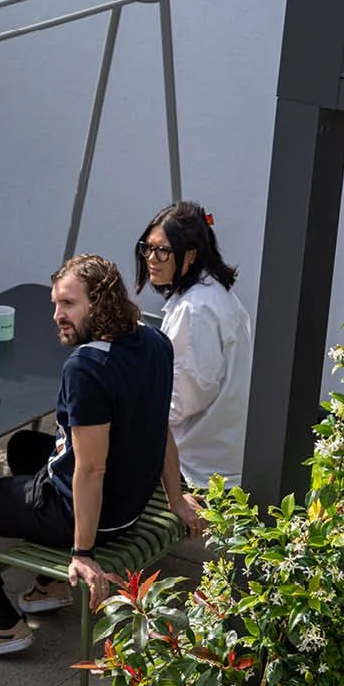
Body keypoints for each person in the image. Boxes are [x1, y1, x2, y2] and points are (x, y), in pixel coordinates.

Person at [0, 253, 205, 659]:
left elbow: (91, 470)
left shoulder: (87, 367)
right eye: (55, 304)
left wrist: (82, 553)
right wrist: (175, 498)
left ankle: (2, 623)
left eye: (68, 304)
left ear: (100, 302)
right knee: (22, 446)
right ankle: (48, 586)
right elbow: (161, 427)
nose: (57, 315)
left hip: (80, 514)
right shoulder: (155, 342)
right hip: (129, 504)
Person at [134, 202, 254, 488]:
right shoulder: (213, 291)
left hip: (196, 470)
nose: (151, 258)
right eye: (147, 248)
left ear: (190, 255)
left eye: (163, 251)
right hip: (215, 455)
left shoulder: (196, 309)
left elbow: (181, 400)